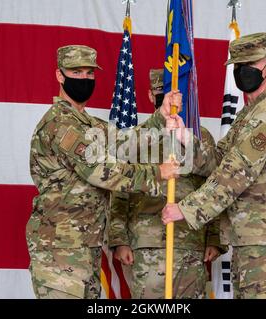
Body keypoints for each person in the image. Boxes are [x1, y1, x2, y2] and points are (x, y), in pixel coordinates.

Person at [26, 45, 181, 299]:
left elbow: (124, 143)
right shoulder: (60, 124)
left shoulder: (86, 123)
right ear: (59, 75)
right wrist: (156, 174)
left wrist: (160, 117)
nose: (84, 79)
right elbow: (101, 170)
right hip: (59, 252)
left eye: (89, 73)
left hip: (84, 250)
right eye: (76, 72)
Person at [162, 33, 266, 299]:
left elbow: (236, 172)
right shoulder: (249, 114)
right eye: (237, 66)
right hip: (249, 236)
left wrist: (187, 208)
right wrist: (185, 139)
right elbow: (219, 159)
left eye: (250, 65)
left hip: (265, 239)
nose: (242, 72)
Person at [109, 69, 228, 299]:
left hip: (190, 242)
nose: (169, 100)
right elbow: (120, 188)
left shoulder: (199, 136)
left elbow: (214, 186)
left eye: (174, 94)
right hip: (145, 242)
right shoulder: (138, 137)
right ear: (150, 95)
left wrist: (215, 239)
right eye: (161, 93)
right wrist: (119, 240)